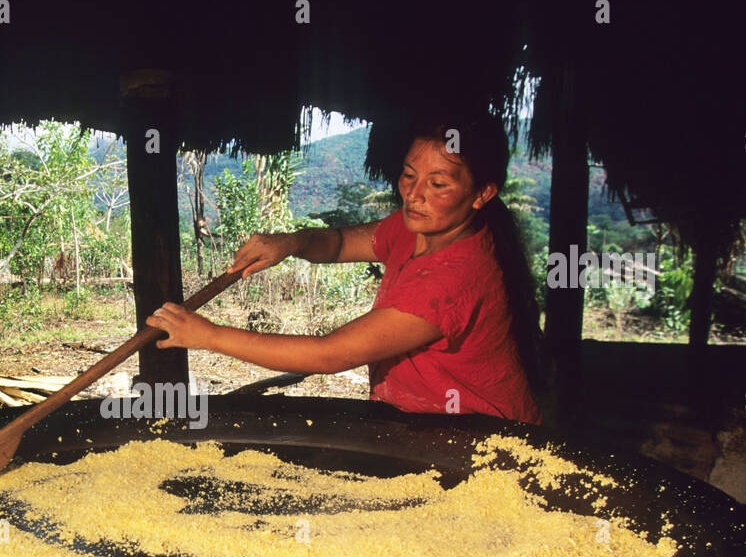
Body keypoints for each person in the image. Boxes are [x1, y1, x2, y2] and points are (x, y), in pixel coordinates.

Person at [145, 112, 545, 424]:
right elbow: (338, 243)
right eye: (409, 175)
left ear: (482, 193)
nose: (414, 194)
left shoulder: (456, 276)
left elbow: (330, 355)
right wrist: (292, 242)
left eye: (438, 184)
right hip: (419, 422)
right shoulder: (415, 227)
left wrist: (209, 335)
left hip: (481, 439)